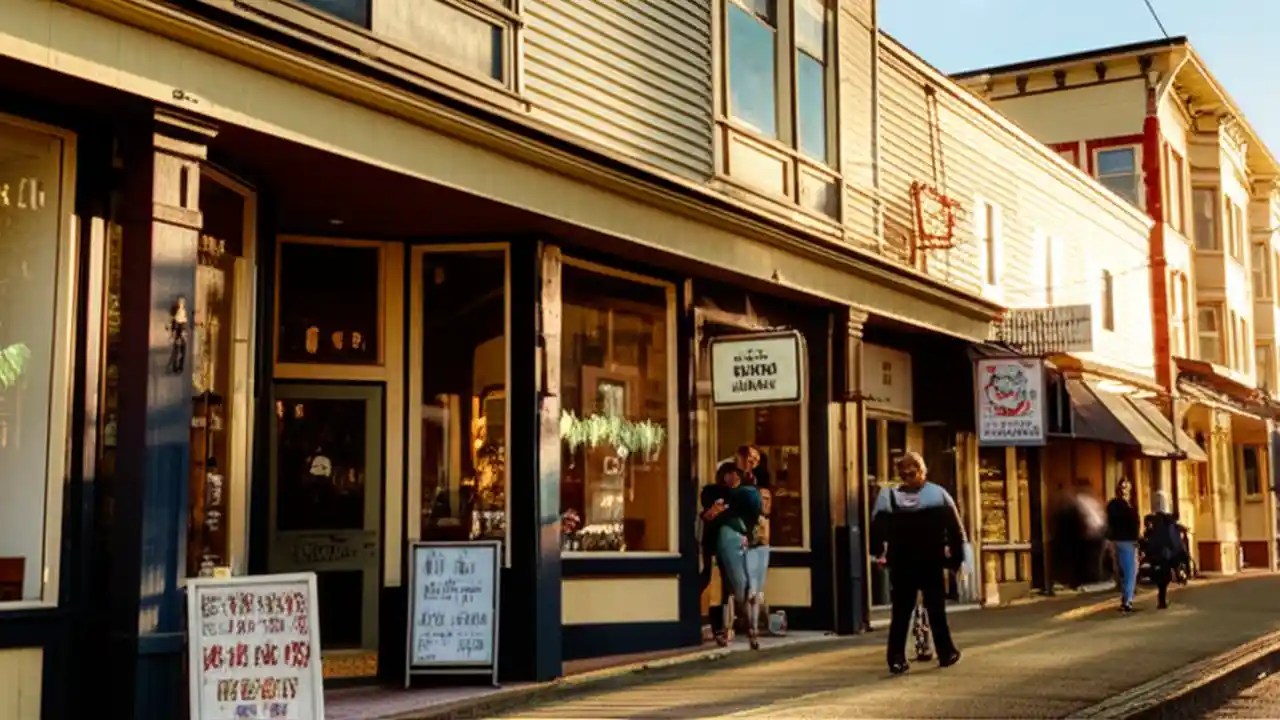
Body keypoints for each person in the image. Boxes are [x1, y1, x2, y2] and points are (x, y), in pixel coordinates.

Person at [871, 451, 965, 675]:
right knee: (936, 610)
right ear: (923, 471)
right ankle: (946, 652)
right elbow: (955, 530)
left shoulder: (888, 497)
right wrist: (956, 560)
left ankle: (896, 658)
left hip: (902, 562)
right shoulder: (937, 495)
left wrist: (878, 554)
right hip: (930, 560)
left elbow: (876, 530)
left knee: (901, 613)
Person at [701, 462, 766, 649]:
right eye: (727, 474)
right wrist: (712, 512)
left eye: (735, 474)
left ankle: (749, 629)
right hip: (715, 547)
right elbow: (706, 515)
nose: (731, 478)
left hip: (739, 545)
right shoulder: (713, 492)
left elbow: (754, 514)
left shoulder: (745, 496)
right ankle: (720, 630)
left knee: (741, 587)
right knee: (718, 591)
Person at [1143, 491, 1187, 610]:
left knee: (1162, 578)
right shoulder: (1168, 520)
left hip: (1155, 552)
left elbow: (1148, 535)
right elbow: (1172, 539)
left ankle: (1162, 599)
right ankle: (1180, 573)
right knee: (1170, 569)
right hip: (1166, 553)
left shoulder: (1151, 520)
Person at [1106, 477, 1141, 613]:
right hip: (1127, 541)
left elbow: (1108, 522)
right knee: (1130, 571)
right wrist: (1137, 540)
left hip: (1115, 541)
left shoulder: (1111, 506)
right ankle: (1127, 601)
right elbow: (1134, 525)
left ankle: (1124, 597)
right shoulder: (1128, 508)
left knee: (1120, 570)